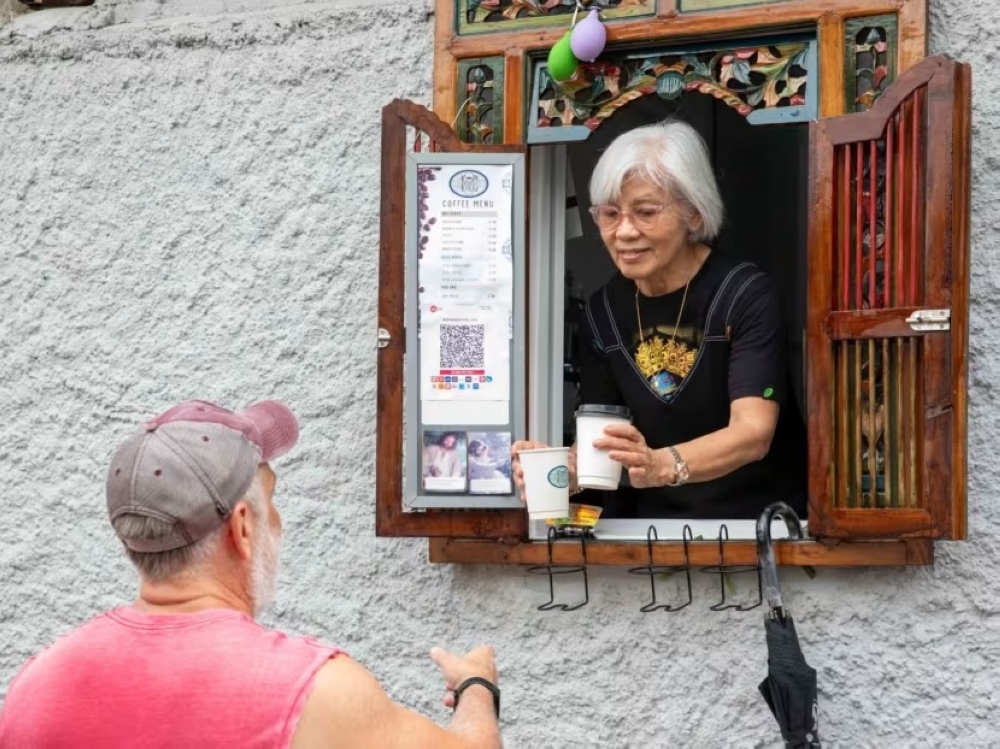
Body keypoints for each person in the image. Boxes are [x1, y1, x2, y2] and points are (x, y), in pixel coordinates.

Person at [0, 399, 502, 748]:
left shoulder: (35, 686)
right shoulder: (316, 692)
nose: (278, 521)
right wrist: (476, 687)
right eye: (272, 499)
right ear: (241, 527)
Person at [513, 119, 807, 520]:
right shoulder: (603, 312)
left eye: (646, 212)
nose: (625, 232)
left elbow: (753, 433)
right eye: (610, 214)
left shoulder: (744, 294)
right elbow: (604, 441)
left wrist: (661, 465)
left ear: (695, 215)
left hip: (753, 529)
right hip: (650, 535)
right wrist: (563, 472)